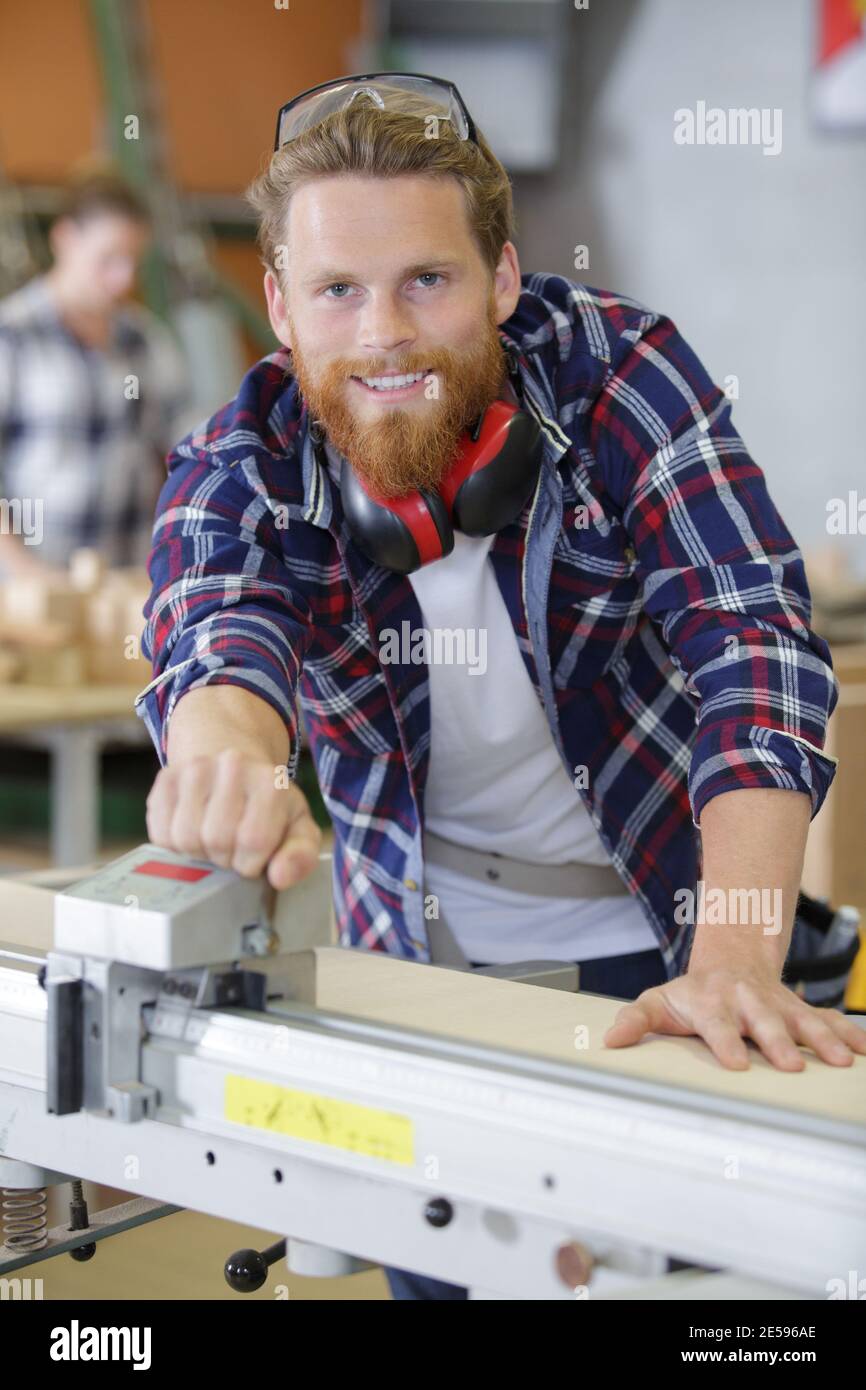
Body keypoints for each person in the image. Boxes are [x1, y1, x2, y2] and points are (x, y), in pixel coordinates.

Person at [134, 75, 866, 1300]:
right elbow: (215, 636)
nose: (382, 334)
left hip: (672, 941)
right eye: (335, 291)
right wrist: (223, 772)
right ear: (278, 306)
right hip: (415, 968)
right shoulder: (239, 460)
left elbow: (754, 649)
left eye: (426, 279)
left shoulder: (621, 373)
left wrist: (738, 946)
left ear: (504, 278)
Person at [0, 168, 190, 580]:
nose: (123, 279)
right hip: (27, 590)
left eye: (132, 262)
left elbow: (191, 455)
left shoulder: (148, 342)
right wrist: (26, 573)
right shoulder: (11, 338)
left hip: (127, 585)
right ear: (65, 239)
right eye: (108, 260)